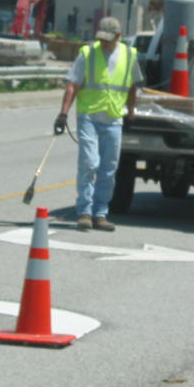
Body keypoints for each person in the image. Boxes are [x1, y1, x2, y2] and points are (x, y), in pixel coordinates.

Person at [55, 16, 144, 231]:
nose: (104, 43)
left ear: (119, 37)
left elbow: (132, 87)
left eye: (108, 40)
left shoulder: (129, 55)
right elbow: (72, 85)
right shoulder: (87, 53)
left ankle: (100, 213)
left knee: (108, 169)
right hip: (89, 116)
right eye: (101, 39)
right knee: (89, 162)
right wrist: (63, 114)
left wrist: (131, 113)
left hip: (114, 119)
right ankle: (85, 212)